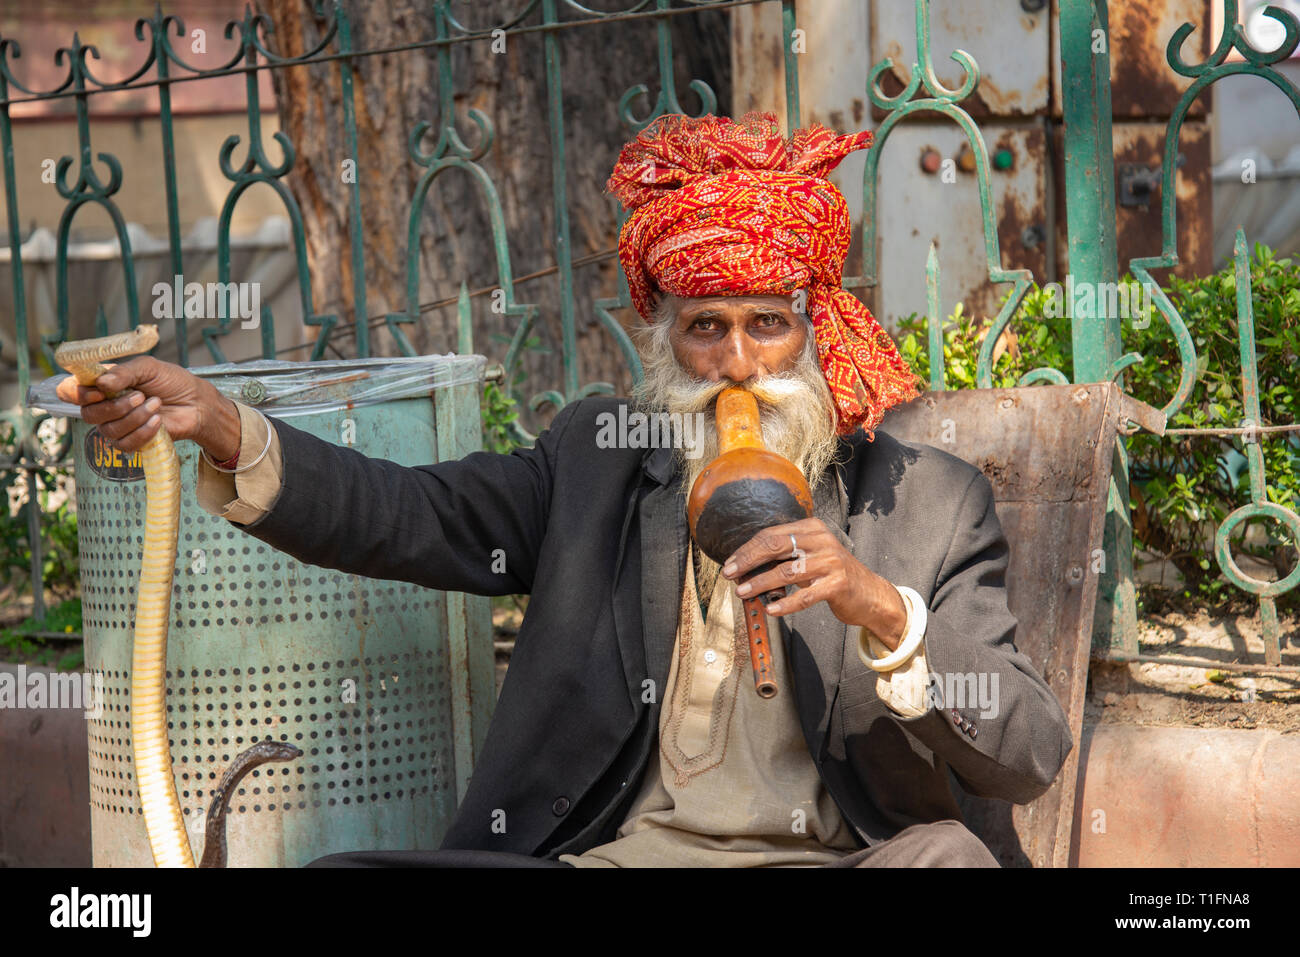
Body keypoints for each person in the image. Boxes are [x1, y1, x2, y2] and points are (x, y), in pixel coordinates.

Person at [57, 112, 1072, 868]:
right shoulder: (601, 456)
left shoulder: (925, 502)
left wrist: (874, 609)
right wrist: (224, 425)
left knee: (949, 862)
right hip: (614, 864)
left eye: (766, 325)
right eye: (703, 329)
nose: (735, 363)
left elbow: (1025, 751)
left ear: (815, 334)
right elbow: (409, 516)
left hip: (833, 862)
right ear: (663, 342)